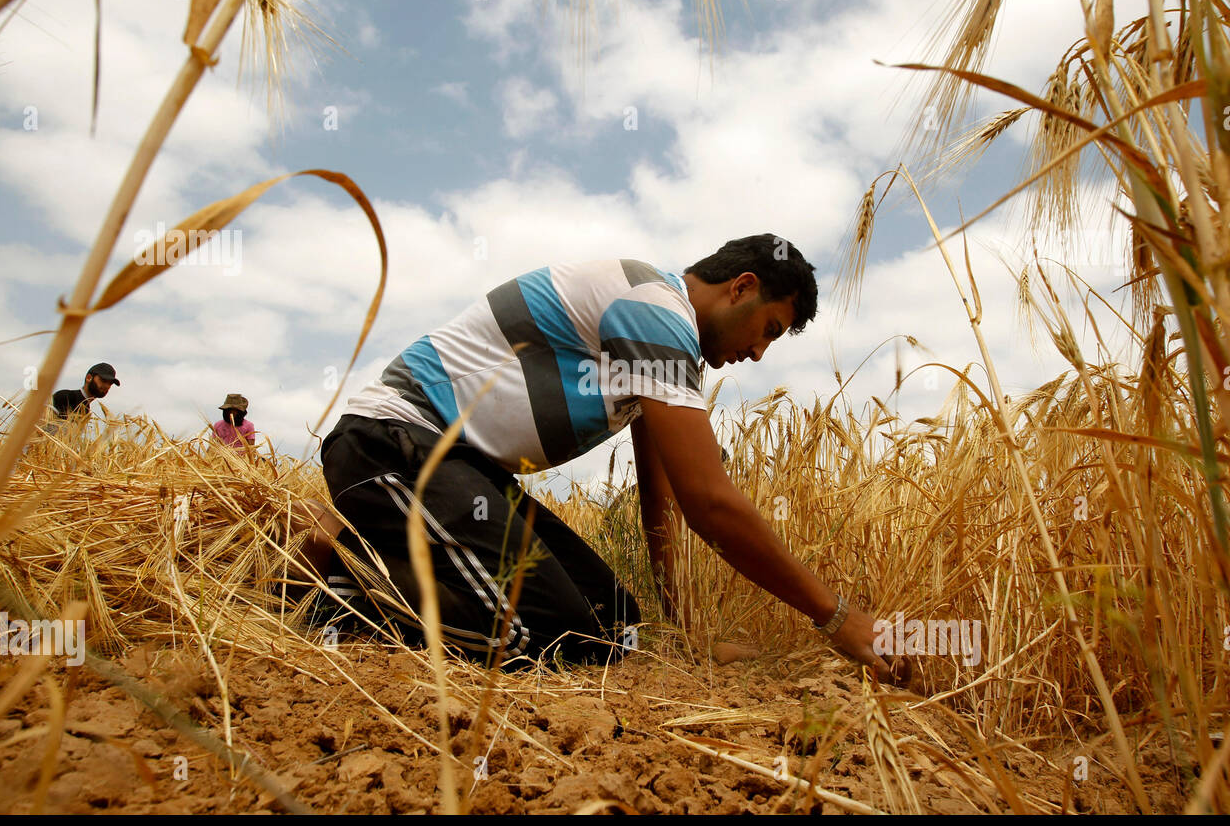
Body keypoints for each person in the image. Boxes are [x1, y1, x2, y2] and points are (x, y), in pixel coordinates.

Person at [320, 234, 904, 680]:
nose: (756, 353)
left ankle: (378, 548)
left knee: (614, 628)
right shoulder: (654, 308)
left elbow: (666, 503)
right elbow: (709, 502)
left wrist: (680, 634)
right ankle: (337, 583)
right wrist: (836, 616)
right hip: (393, 443)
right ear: (742, 286)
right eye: (768, 330)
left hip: (468, 475)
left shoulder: (669, 355)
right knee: (546, 636)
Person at [51, 362, 119, 419]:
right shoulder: (65, 396)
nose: (107, 386)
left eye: (110, 383)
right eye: (103, 380)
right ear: (89, 378)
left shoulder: (86, 410)